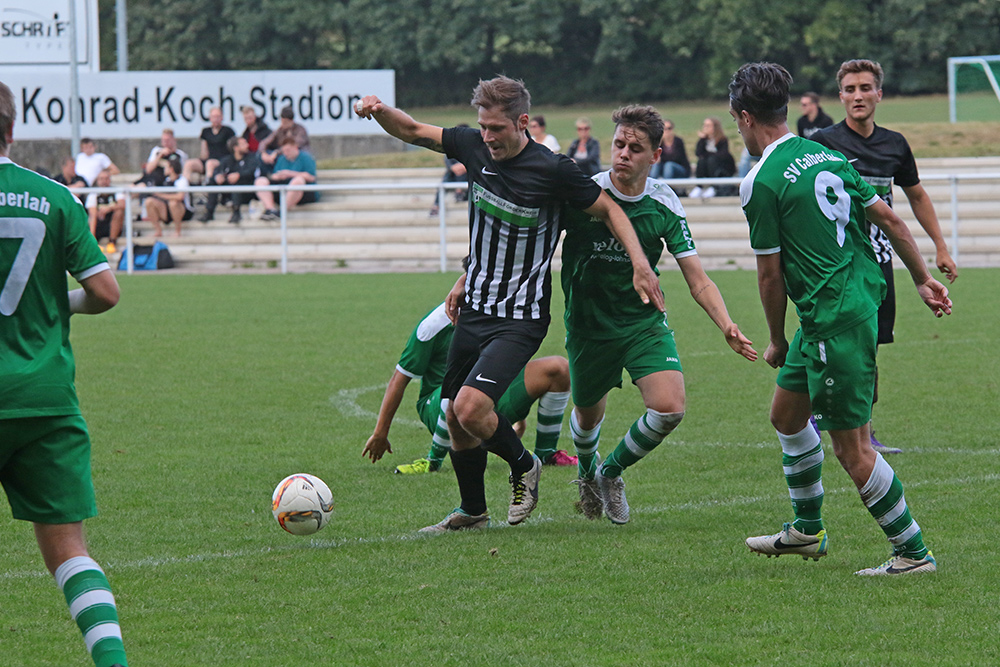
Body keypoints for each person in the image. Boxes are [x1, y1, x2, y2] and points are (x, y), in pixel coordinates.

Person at [355, 75, 663, 533]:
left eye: (497, 128)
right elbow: (414, 130)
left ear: (522, 123)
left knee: (471, 409)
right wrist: (378, 110)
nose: (487, 136)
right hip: (475, 306)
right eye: (482, 126)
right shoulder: (474, 146)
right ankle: (473, 511)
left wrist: (640, 263)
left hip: (519, 317)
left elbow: (610, 210)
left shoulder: (554, 170)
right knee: (454, 416)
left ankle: (524, 465)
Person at [730, 61, 952, 575]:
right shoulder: (824, 153)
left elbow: (770, 276)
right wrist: (920, 278)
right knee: (786, 415)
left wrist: (775, 339)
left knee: (854, 451)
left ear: (744, 118)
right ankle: (807, 530)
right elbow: (891, 217)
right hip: (853, 303)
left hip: (832, 320)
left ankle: (913, 554)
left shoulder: (759, 181)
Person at [562, 105, 757, 523]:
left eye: (635, 148)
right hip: (588, 324)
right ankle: (586, 470)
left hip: (642, 322)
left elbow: (698, 278)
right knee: (586, 415)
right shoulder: (584, 194)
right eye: (618, 144)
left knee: (669, 407)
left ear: (656, 155)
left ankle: (609, 473)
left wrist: (726, 324)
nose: (623, 154)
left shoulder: (664, 203)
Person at [0, 80, 129, 667]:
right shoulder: (54, 196)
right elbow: (105, 293)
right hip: (44, 398)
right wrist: (55, 305)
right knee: (70, 551)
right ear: (12, 128)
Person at [810, 59, 958, 454]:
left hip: (879, 262)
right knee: (828, 340)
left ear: (879, 94)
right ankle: (812, 415)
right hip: (836, 263)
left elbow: (917, 195)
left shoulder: (895, 144)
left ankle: (864, 431)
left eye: (865, 88)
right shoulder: (822, 142)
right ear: (840, 96)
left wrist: (940, 246)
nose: (858, 95)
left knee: (869, 345)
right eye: (850, 89)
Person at [362, 283, 576, 474]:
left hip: (489, 395)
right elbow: (400, 378)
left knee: (558, 368)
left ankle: (546, 454)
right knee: (458, 385)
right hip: (437, 403)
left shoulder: (504, 311)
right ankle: (433, 461)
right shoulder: (433, 324)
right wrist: (380, 433)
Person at [254, 137, 318, 221]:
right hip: (283, 188)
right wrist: (278, 176)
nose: (285, 153)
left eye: (288, 150)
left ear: (295, 147)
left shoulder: (306, 158)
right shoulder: (282, 159)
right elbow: (274, 175)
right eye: (284, 151)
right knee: (260, 181)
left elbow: (311, 177)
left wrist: (291, 174)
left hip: (303, 192)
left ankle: (282, 211)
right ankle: (271, 210)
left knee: (298, 181)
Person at [201, 136, 261, 224]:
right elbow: (217, 171)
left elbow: (252, 171)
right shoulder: (227, 160)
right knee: (213, 181)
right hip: (229, 193)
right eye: (243, 144)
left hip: (247, 192)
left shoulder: (252, 158)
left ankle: (236, 212)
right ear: (236, 148)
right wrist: (218, 176)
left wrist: (239, 175)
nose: (247, 145)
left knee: (237, 183)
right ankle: (209, 212)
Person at [186, 107, 237, 185]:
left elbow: (232, 150)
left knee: (210, 163)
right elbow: (204, 152)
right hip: (208, 160)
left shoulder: (228, 131)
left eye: (218, 116)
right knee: (189, 163)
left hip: (222, 160)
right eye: (213, 117)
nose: (215, 119)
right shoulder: (206, 131)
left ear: (222, 117)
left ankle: (208, 188)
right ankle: (184, 188)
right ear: (210, 118)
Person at [146, 156, 193, 237]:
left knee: (173, 203)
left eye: (166, 167)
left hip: (182, 210)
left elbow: (180, 197)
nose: (164, 169)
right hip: (167, 209)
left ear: (171, 169)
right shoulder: (166, 180)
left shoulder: (182, 180)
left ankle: (177, 231)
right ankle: (158, 230)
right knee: (149, 201)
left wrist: (161, 195)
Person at [690, 117, 735, 198]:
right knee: (701, 161)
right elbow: (698, 153)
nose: (705, 128)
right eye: (704, 125)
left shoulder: (722, 140)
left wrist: (708, 154)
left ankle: (713, 187)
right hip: (707, 167)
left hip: (721, 167)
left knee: (712, 160)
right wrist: (701, 139)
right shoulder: (704, 140)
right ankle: (699, 187)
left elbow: (722, 155)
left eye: (708, 126)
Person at [85, 169, 125, 252]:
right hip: (99, 225)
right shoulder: (93, 194)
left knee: (119, 212)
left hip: (113, 225)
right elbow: (92, 215)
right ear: (97, 181)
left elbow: (123, 204)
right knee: (93, 214)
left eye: (106, 178)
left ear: (109, 180)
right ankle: (94, 242)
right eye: (101, 179)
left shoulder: (116, 191)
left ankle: (112, 243)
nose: (104, 181)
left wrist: (109, 208)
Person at [260, 105, 311, 170]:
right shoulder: (280, 130)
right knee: (260, 156)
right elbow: (265, 142)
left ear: (291, 121)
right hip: (282, 155)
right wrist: (263, 153)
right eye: (282, 122)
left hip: (296, 155)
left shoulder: (300, 130)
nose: (283, 124)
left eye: (285, 122)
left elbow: (294, 145)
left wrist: (277, 152)